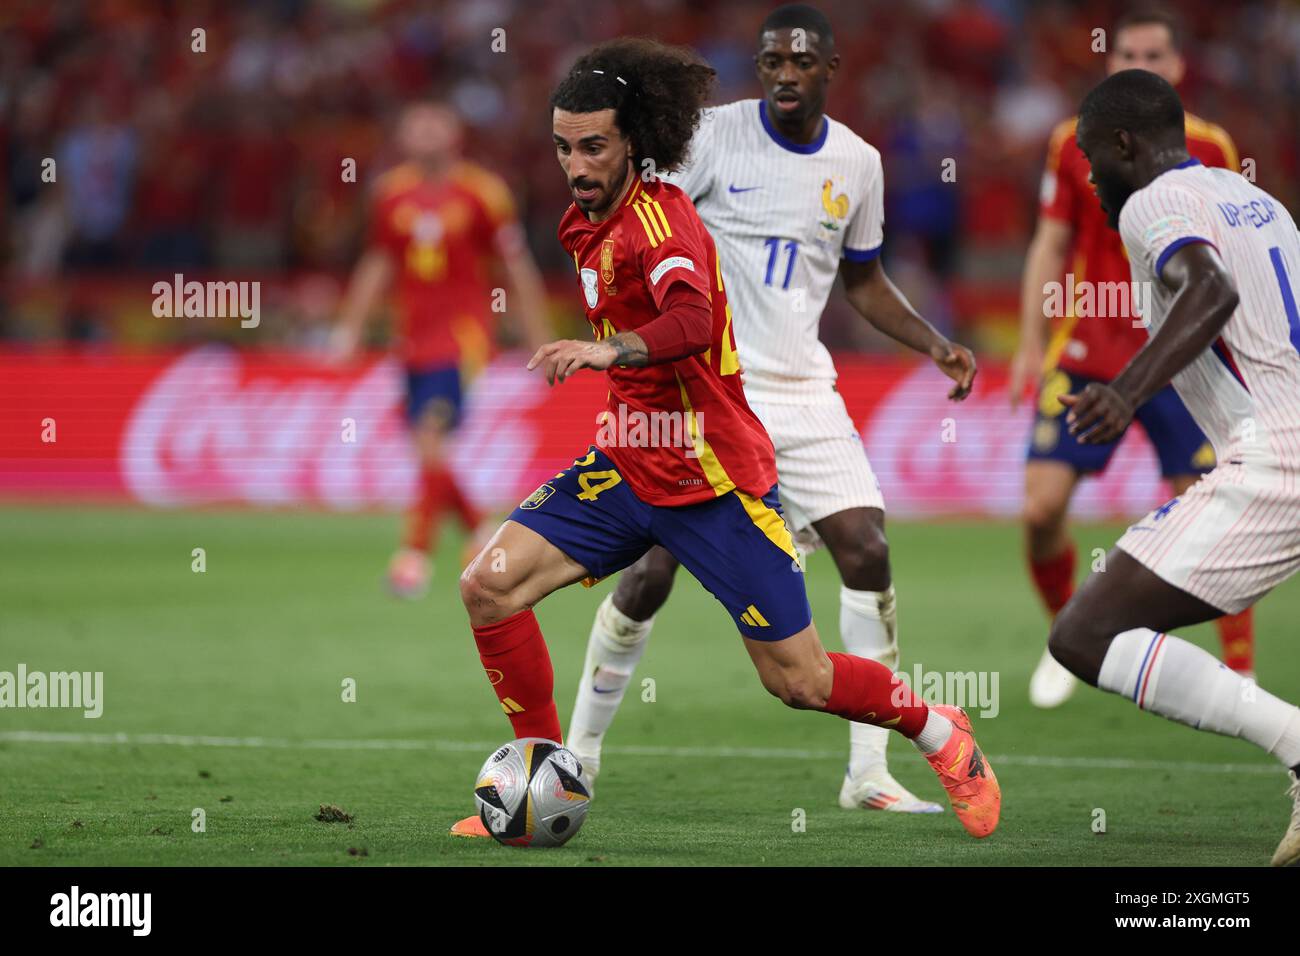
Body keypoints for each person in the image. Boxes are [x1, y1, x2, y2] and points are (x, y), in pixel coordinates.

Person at [450, 37, 1000, 841]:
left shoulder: (658, 220)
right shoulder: (581, 220)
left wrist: (611, 349)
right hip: (628, 461)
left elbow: (692, 319)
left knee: (801, 682)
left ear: (634, 140)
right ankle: (543, 770)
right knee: (487, 586)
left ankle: (941, 731)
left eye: (594, 145)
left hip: (716, 481)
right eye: (563, 146)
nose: (576, 163)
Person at [565, 4, 975, 815]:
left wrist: (932, 342)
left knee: (866, 548)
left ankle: (869, 773)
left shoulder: (857, 162)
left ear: (831, 68)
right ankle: (579, 755)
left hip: (801, 391)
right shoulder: (711, 138)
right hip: (709, 392)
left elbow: (861, 279)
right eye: (771, 61)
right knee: (651, 572)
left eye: (801, 60)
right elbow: (646, 232)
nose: (785, 73)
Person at [1049, 68, 1300, 868]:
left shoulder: (1157, 203)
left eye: (1092, 159)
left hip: (1275, 458)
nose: (1089, 179)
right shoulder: (1261, 203)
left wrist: (1123, 394)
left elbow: (1211, 289)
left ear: (1125, 143)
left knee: (1088, 634)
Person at [1008, 8, 1252, 708]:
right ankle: (1065, 634)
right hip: (1088, 350)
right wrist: (1031, 339)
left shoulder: (1212, 146)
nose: (1140, 63)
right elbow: (1048, 243)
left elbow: (1222, 263)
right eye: (1128, 54)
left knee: (1210, 513)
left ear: (1178, 69)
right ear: (1109, 64)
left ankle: (1241, 668)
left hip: (1179, 358)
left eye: (1155, 53)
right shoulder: (1071, 143)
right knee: (1040, 508)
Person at [331, 102, 550, 597]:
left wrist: (537, 333)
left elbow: (514, 267)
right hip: (409, 340)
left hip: (462, 338)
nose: (426, 133)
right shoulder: (390, 193)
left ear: (455, 134)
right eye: (417, 124)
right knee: (428, 452)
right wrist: (350, 327)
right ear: (405, 135)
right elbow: (378, 262)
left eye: (435, 124)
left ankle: (413, 556)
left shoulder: (483, 192)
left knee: (431, 438)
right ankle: (480, 531)